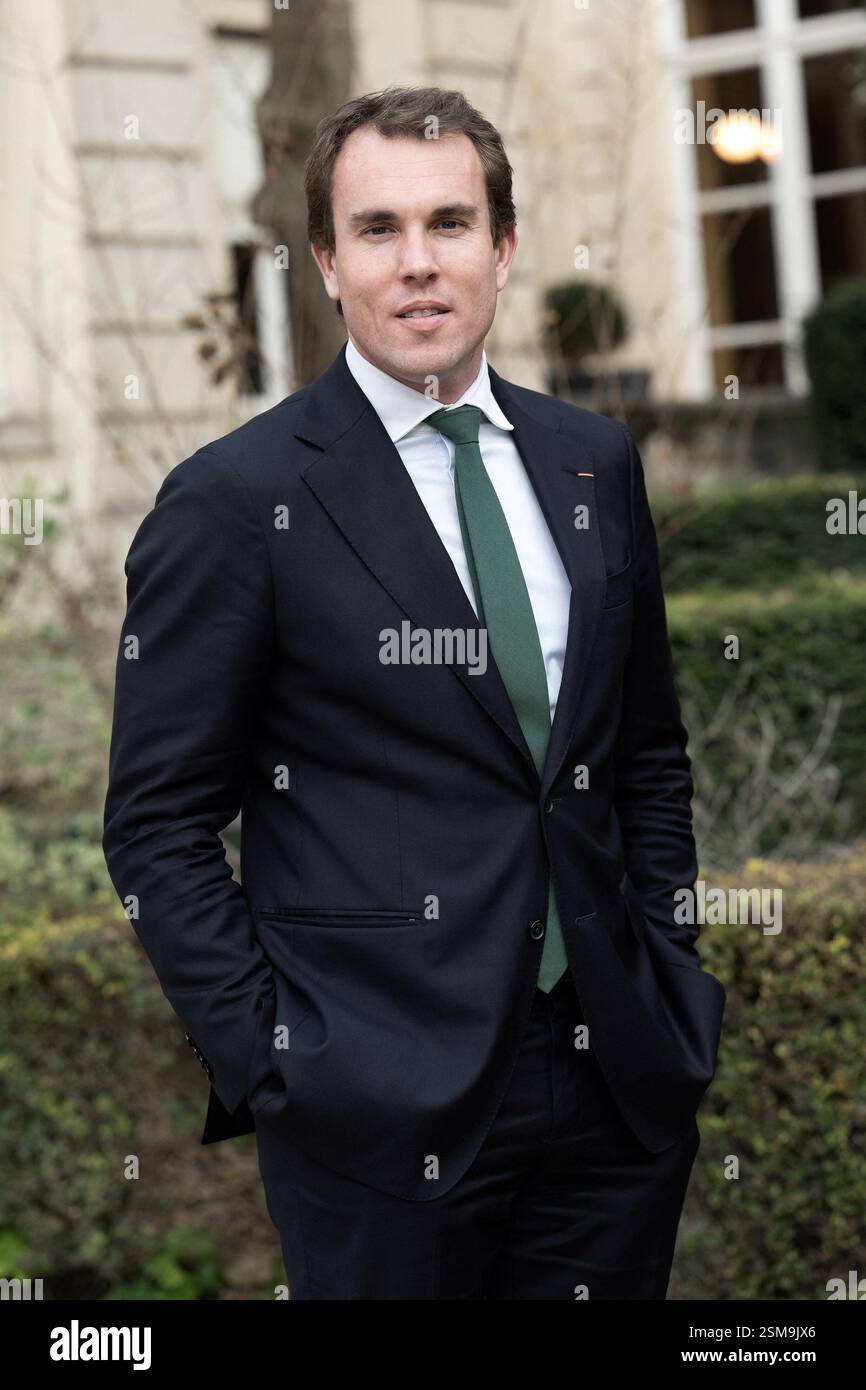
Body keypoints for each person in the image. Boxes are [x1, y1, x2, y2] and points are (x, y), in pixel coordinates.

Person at [102, 85, 725, 1300]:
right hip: (373, 1115)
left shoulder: (590, 461)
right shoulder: (236, 498)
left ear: (501, 248)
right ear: (328, 264)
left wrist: (668, 959)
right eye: (378, 230)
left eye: (450, 223)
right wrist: (278, 1056)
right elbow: (155, 824)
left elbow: (644, 747)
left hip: (613, 1082)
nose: (418, 264)